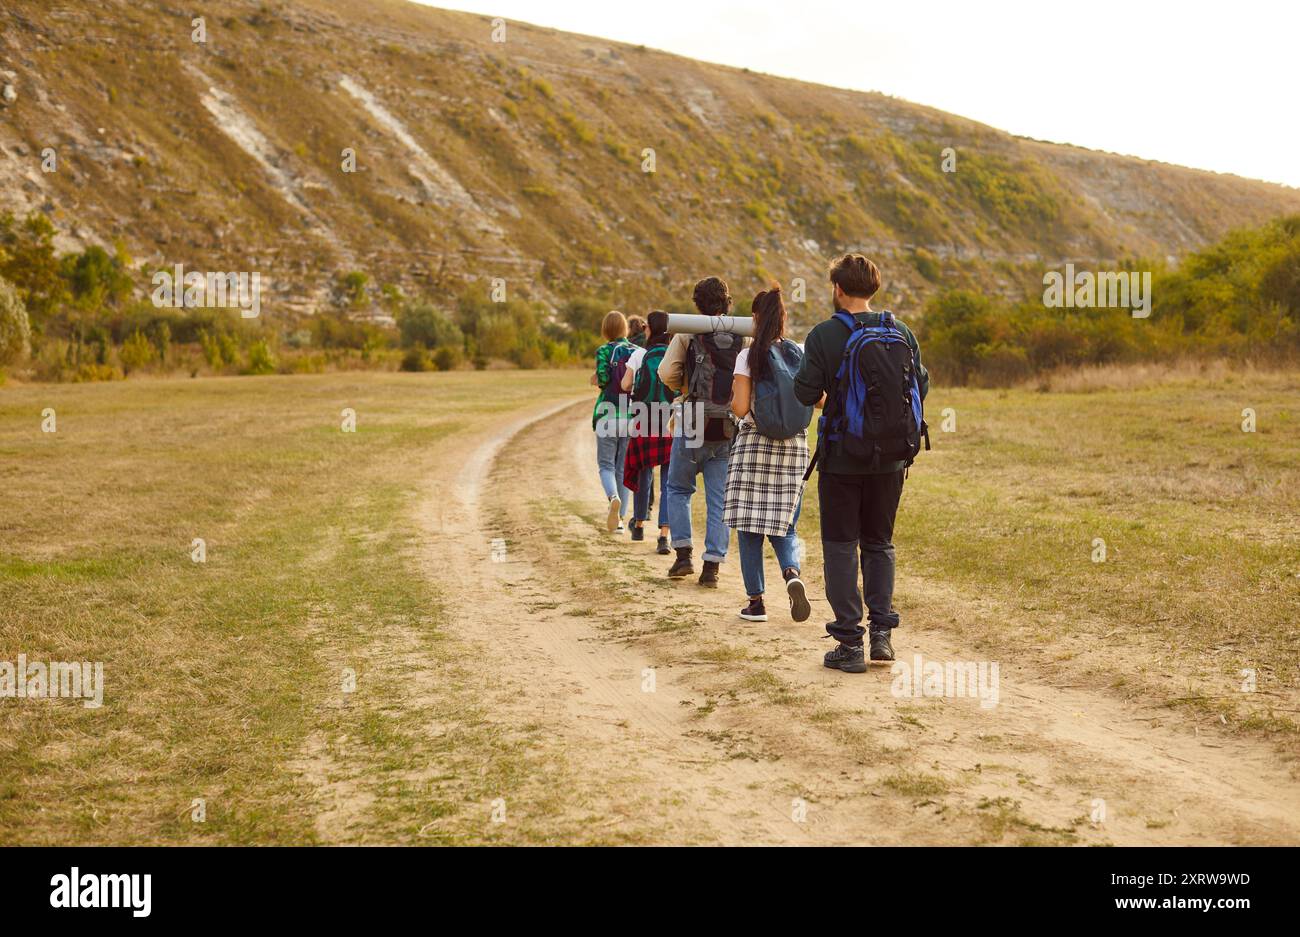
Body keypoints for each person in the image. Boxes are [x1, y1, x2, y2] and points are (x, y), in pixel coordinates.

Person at [793, 254, 928, 673]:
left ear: (838, 288)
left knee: (840, 547)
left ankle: (849, 643)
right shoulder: (900, 331)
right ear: (873, 288)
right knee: (879, 543)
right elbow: (920, 385)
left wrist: (834, 403)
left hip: (841, 459)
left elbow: (803, 392)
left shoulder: (823, 335)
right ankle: (882, 636)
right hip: (891, 460)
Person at [722, 285, 812, 624]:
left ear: (755, 318)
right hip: (793, 448)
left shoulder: (748, 355)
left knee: (749, 528)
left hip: (755, 445)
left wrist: (732, 401)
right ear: (784, 318)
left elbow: (742, 406)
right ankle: (791, 572)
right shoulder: (798, 353)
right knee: (785, 524)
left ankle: (756, 603)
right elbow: (817, 399)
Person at [658, 277, 740, 587]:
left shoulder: (687, 331)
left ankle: (683, 556)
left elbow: (666, 372)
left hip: (691, 417)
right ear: (726, 301)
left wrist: (682, 388)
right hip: (726, 422)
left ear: (697, 304)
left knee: (679, 488)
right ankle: (712, 568)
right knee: (719, 498)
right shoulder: (740, 334)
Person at [621, 311, 673, 553]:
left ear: (649, 329)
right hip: (670, 419)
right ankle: (664, 535)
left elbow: (625, 385)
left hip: (644, 416)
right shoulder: (675, 353)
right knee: (670, 479)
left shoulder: (640, 354)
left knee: (644, 472)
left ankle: (639, 525)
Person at [591, 310, 636, 533]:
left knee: (606, 465)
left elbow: (603, 378)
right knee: (622, 468)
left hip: (608, 415)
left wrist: (596, 379)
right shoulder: (638, 352)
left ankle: (612, 498)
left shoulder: (604, 351)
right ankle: (619, 522)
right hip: (631, 416)